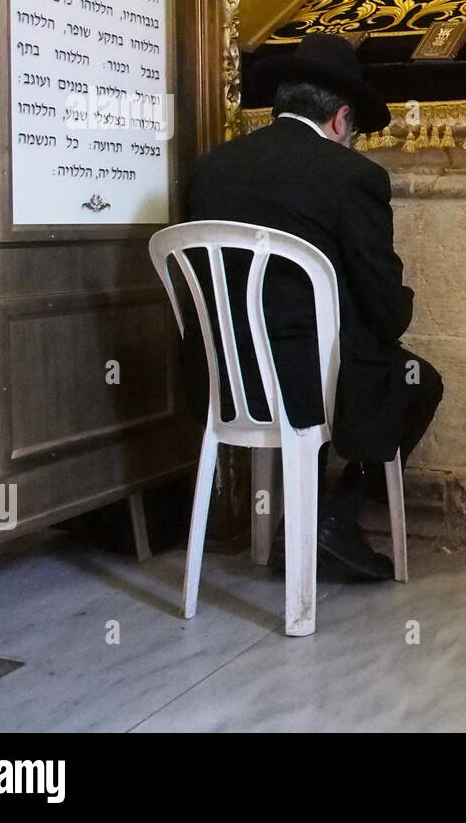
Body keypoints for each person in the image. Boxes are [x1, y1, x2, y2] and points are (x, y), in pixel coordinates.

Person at [180, 32, 442, 581]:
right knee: (416, 380)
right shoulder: (354, 176)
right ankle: (333, 520)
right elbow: (385, 308)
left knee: (326, 350)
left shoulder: (211, 168)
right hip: (311, 388)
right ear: (342, 119)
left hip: (224, 379)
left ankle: (303, 529)